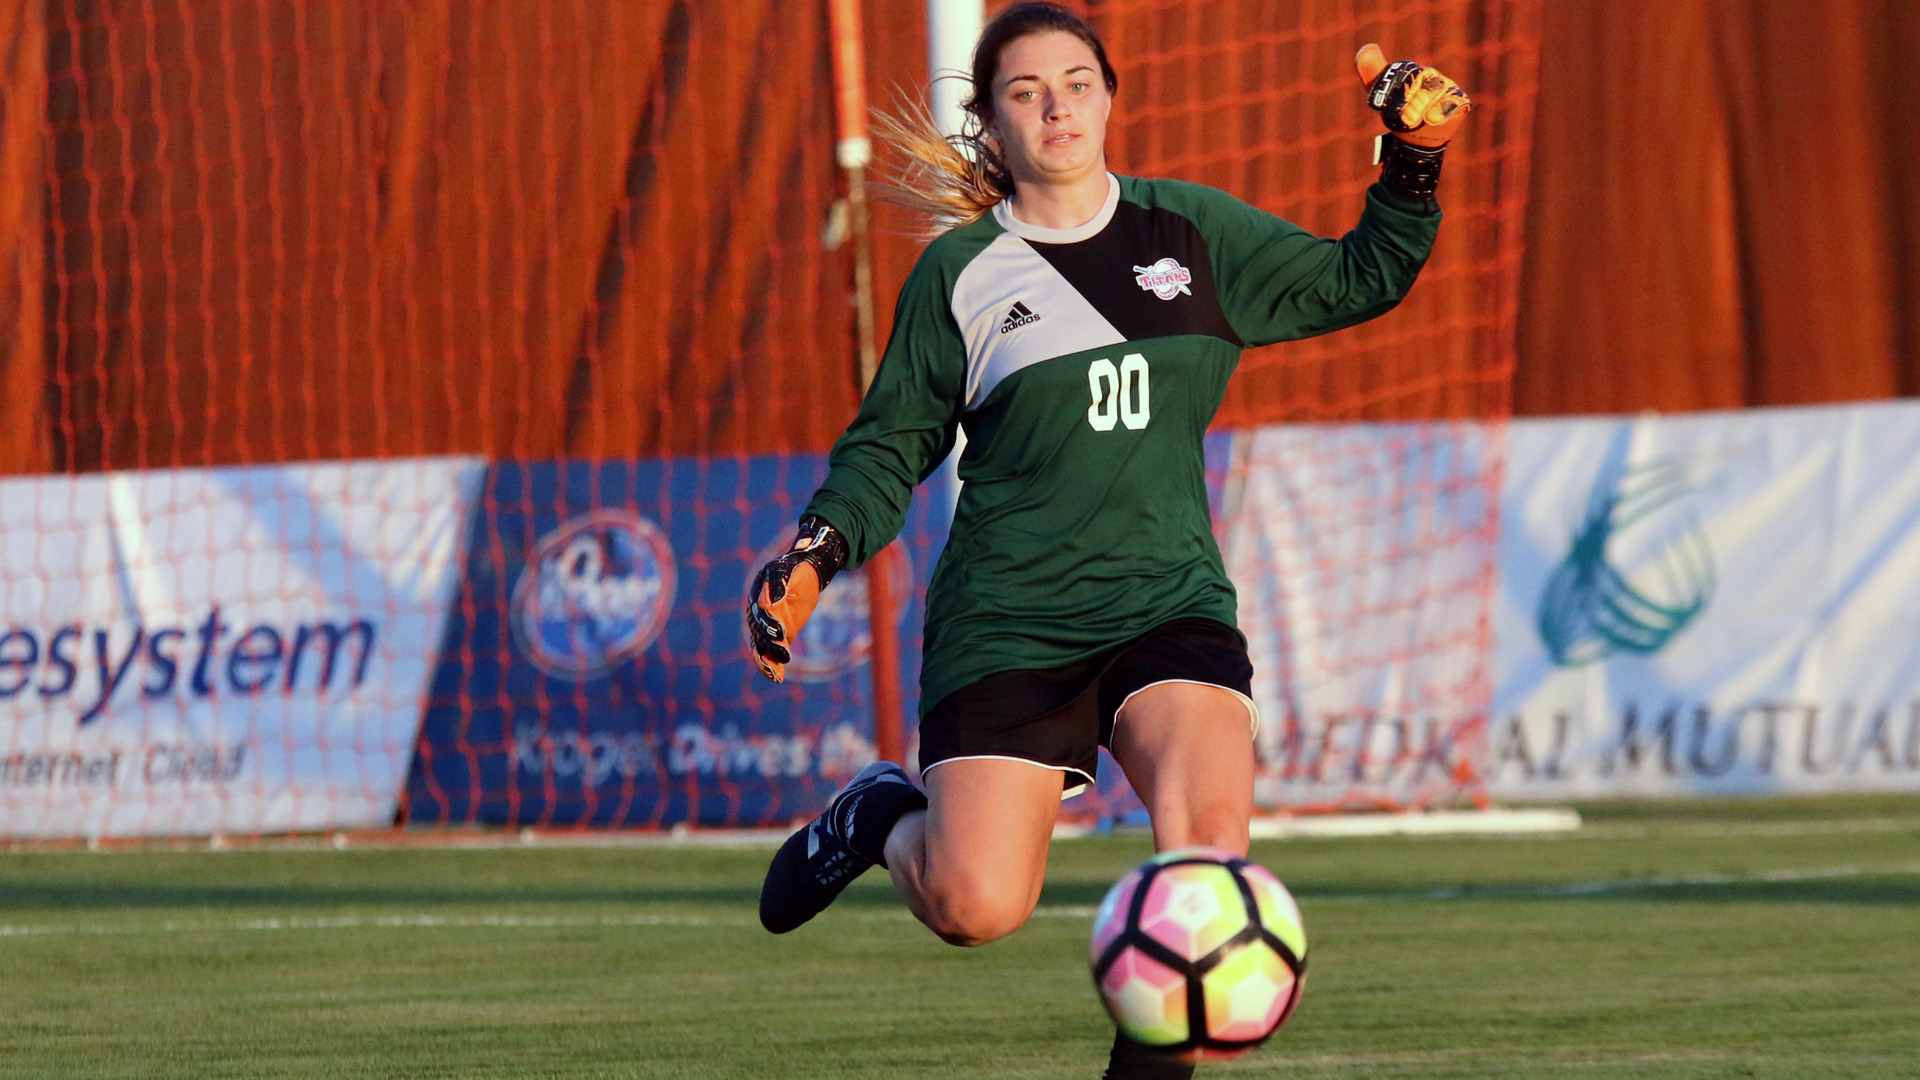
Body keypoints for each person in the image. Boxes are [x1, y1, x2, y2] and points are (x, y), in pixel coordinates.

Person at [747, 4, 1468, 1076]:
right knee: (973, 906)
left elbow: (1362, 277)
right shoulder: (960, 276)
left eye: (1077, 82)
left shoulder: (1194, 234)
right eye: (1026, 90)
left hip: (1166, 604)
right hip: (1010, 621)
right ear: (991, 124)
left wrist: (1413, 162)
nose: (1057, 105)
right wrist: (816, 550)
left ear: (1111, 98)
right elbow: (886, 450)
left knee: (1209, 881)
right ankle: (878, 815)